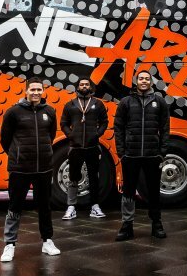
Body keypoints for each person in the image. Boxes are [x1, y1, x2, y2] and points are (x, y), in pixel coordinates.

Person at [0, 77, 60, 262]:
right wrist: (17, 155)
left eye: (39, 89)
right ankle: (9, 244)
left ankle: (47, 241)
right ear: (26, 91)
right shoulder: (13, 112)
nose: (36, 93)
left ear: (43, 91)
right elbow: (5, 140)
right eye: (32, 89)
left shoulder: (49, 111)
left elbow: (51, 135)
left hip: (44, 168)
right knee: (15, 206)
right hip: (20, 169)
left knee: (44, 206)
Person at [114, 70, 169, 241]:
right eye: (141, 78)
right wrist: (121, 152)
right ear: (136, 81)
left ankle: (157, 224)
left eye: (147, 78)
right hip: (131, 155)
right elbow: (118, 128)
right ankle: (127, 225)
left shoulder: (159, 102)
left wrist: (162, 153)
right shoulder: (126, 102)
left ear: (151, 82)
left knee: (153, 191)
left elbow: (165, 128)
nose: (144, 81)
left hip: (153, 156)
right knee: (128, 191)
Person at [60, 77, 109, 220]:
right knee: (73, 177)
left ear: (90, 87)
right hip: (75, 147)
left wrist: (97, 134)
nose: (84, 86)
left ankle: (95, 206)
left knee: (94, 177)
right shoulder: (70, 105)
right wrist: (71, 135)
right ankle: (71, 207)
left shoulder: (97, 104)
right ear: (77, 87)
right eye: (82, 84)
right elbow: (63, 123)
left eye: (86, 84)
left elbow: (105, 122)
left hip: (92, 147)